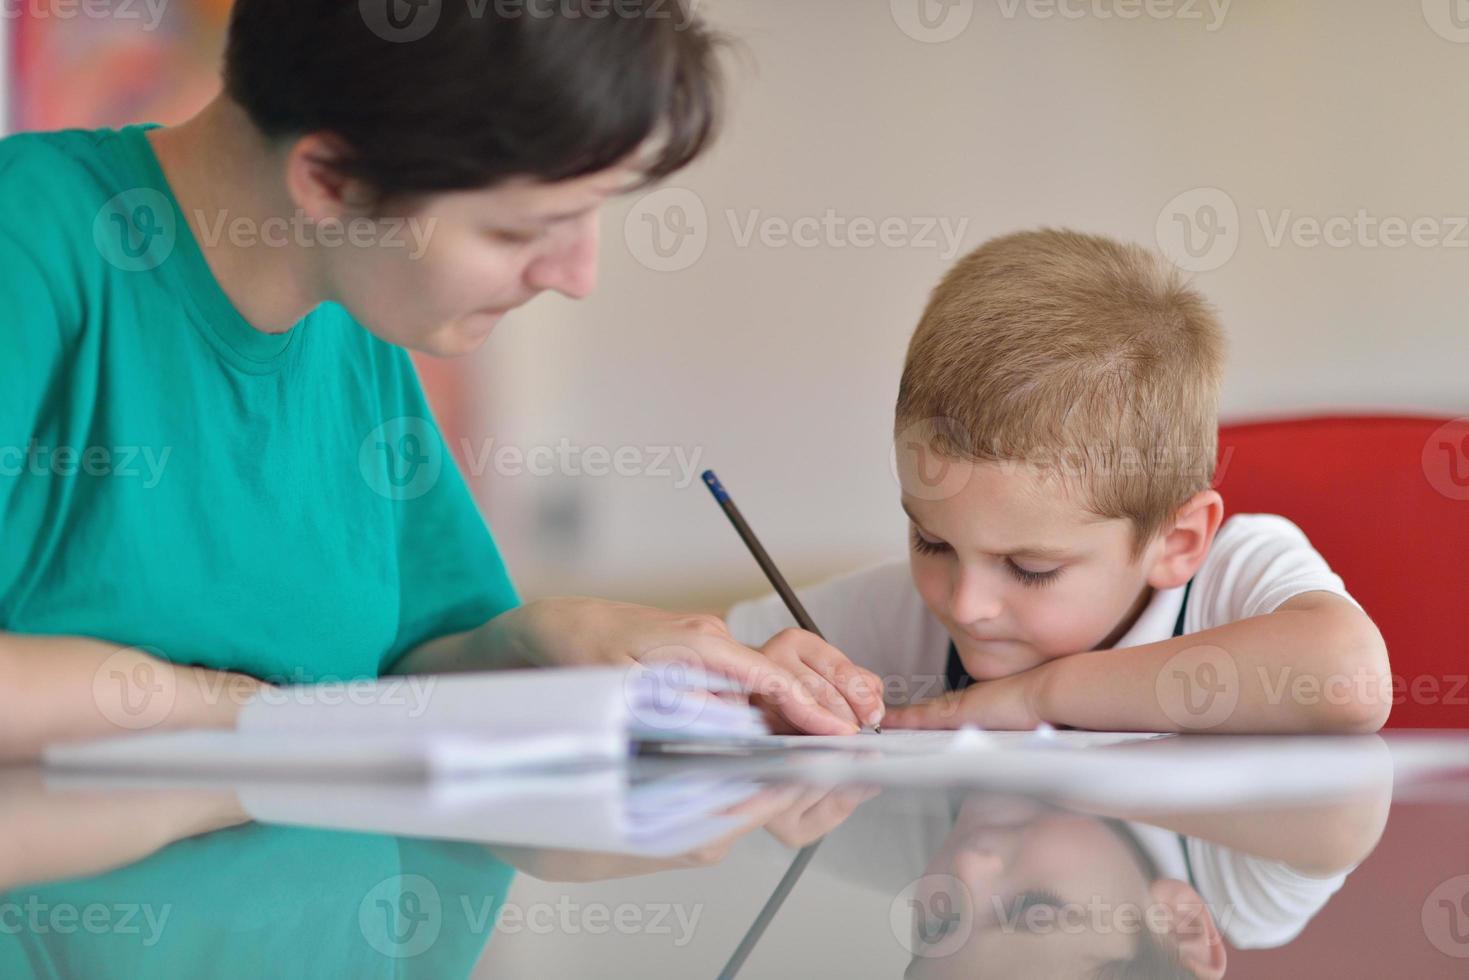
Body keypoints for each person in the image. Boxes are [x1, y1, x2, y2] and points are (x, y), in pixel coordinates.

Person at [0, 0, 884, 762]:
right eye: (519, 231)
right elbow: (351, 714)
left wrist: (552, 636)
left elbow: (407, 669)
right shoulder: (32, 250)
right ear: (330, 181)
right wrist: (259, 716)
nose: (576, 275)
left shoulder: (349, 307)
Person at [730, 229, 1391, 733]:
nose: (966, 604)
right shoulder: (911, 612)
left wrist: (1037, 697)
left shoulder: (1228, 581)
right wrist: (755, 687)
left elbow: (1348, 679)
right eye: (930, 542)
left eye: (1030, 568)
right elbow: (697, 661)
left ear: (1177, 541)